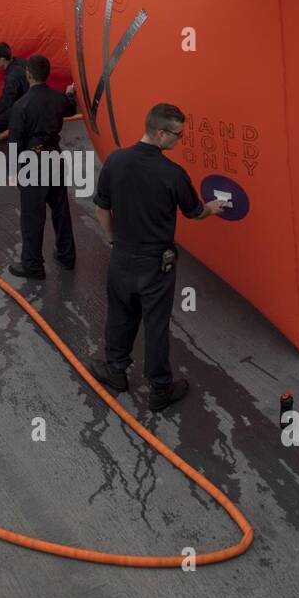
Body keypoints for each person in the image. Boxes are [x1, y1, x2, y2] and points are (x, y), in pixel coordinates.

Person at [89, 103, 224, 412]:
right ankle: (160, 389)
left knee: (120, 315)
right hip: (156, 264)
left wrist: (113, 240)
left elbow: (101, 207)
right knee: (156, 325)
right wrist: (212, 208)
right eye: (177, 135)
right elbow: (195, 212)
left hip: (122, 256)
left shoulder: (116, 161)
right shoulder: (173, 175)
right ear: (161, 133)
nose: (180, 141)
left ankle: (116, 371)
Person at [6, 55, 78, 279]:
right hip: (54, 157)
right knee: (60, 209)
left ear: (28, 73)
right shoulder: (58, 99)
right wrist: (69, 93)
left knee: (32, 216)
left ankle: (33, 265)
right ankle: (67, 256)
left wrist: (12, 171)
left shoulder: (21, 106)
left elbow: (15, 142)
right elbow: (70, 108)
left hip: (32, 162)